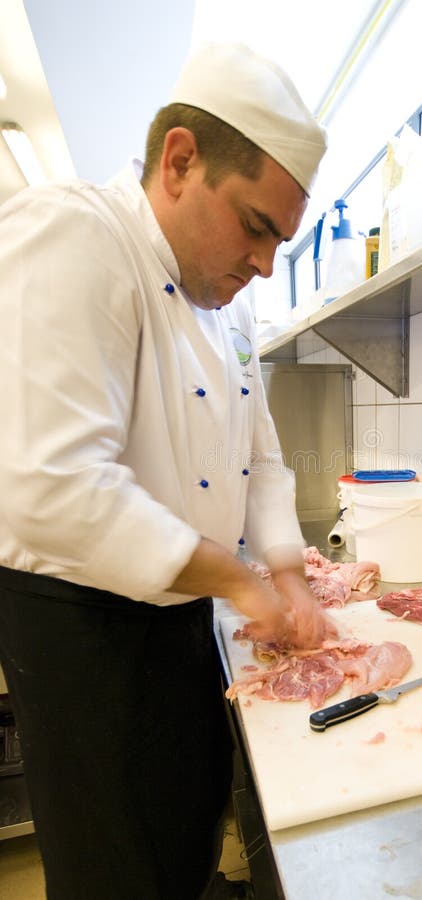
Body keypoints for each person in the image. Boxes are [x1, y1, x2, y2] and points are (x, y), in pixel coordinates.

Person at [0, 42, 336, 900]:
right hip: (88, 640)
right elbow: (54, 486)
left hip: (182, 622)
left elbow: (261, 456)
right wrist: (241, 580)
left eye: (281, 240)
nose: (266, 262)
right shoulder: (76, 232)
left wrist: (289, 575)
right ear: (180, 160)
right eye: (257, 226)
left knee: (186, 839)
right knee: (117, 873)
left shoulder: (224, 302)